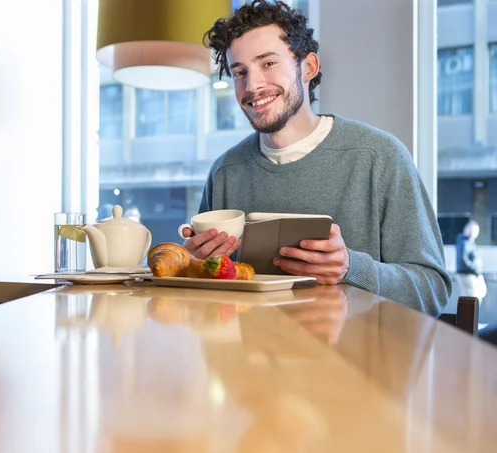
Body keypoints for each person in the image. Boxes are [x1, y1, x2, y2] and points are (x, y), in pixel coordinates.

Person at [181, 0, 451, 316]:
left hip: (357, 361)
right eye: (240, 72)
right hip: (250, 359)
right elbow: (208, 294)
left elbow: (433, 291)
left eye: (268, 63)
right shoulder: (226, 171)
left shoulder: (379, 157)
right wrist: (194, 264)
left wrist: (352, 267)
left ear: (308, 67)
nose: (252, 85)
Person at [455, 220, 487, 303]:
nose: (473, 232)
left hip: (472, 274)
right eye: (471, 229)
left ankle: (470, 315)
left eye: (476, 230)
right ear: (466, 229)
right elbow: (463, 259)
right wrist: (474, 269)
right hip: (467, 274)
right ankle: (468, 316)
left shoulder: (469, 242)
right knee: (471, 299)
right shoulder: (464, 242)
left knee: (473, 298)